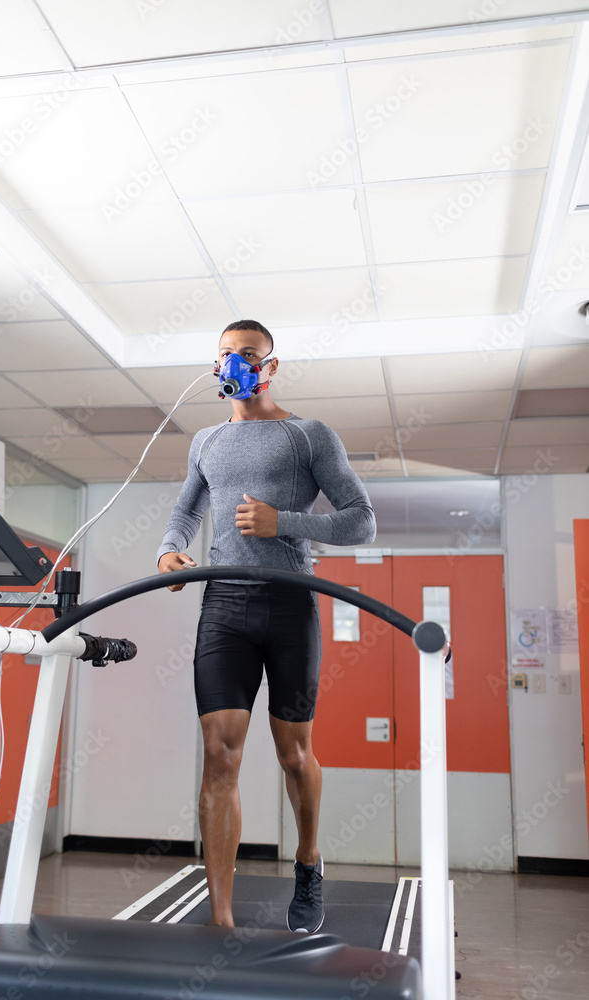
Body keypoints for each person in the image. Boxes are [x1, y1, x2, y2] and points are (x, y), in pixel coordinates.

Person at [157, 319, 376, 933]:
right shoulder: (205, 441)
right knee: (218, 754)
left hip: (289, 603)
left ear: (271, 366)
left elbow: (362, 522)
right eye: (225, 355)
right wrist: (169, 552)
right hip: (224, 605)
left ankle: (308, 859)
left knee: (293, 753)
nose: (233, 365)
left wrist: (285, 524)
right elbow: (183, 512)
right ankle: (221, 922)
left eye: (247, 355)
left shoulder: (308, 436)